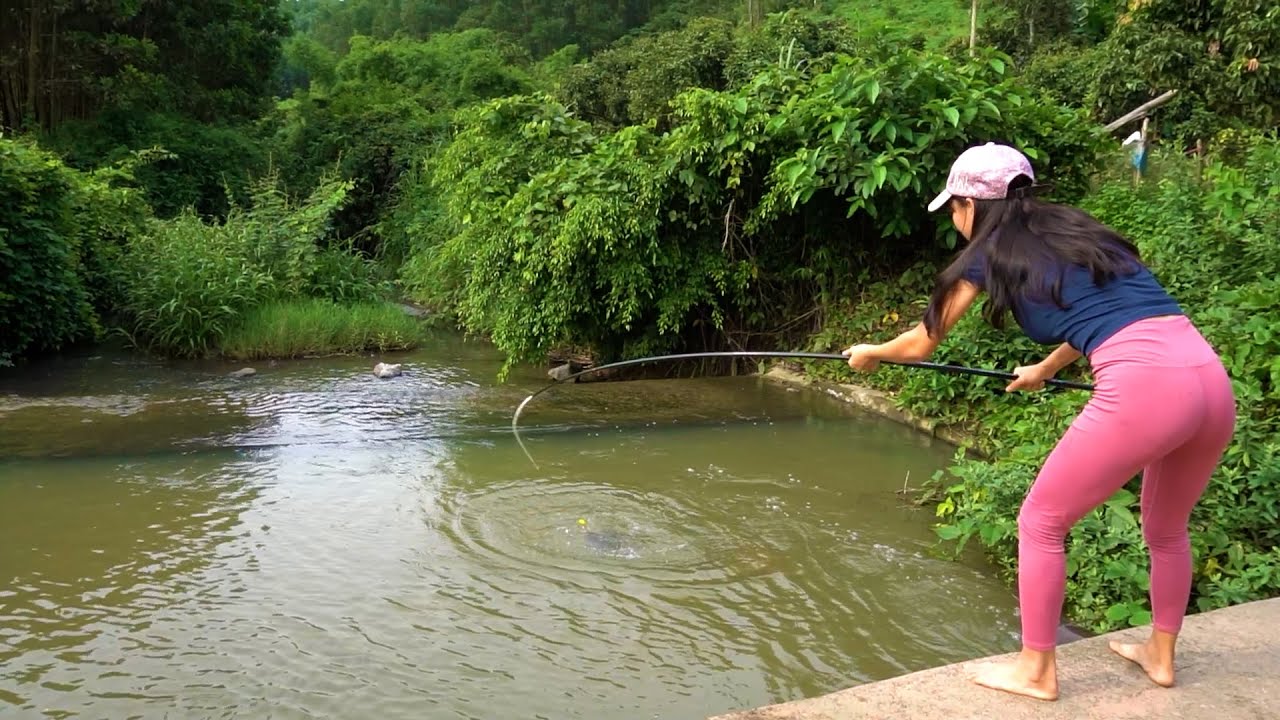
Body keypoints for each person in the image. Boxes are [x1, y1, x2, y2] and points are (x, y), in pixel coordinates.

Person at [841, 142, 1236, 701]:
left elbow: (922, 344)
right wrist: (1046, 368)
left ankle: (1036, 671)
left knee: (1041, 523)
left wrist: (872, 352)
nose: (954, 220)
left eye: (953, 207)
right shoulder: (1081, 233)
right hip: (1209, 381)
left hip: (1146, 388)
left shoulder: (987, 250)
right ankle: (1161, 656)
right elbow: (1108, 315)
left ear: (973, 205)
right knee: (1167, 530)